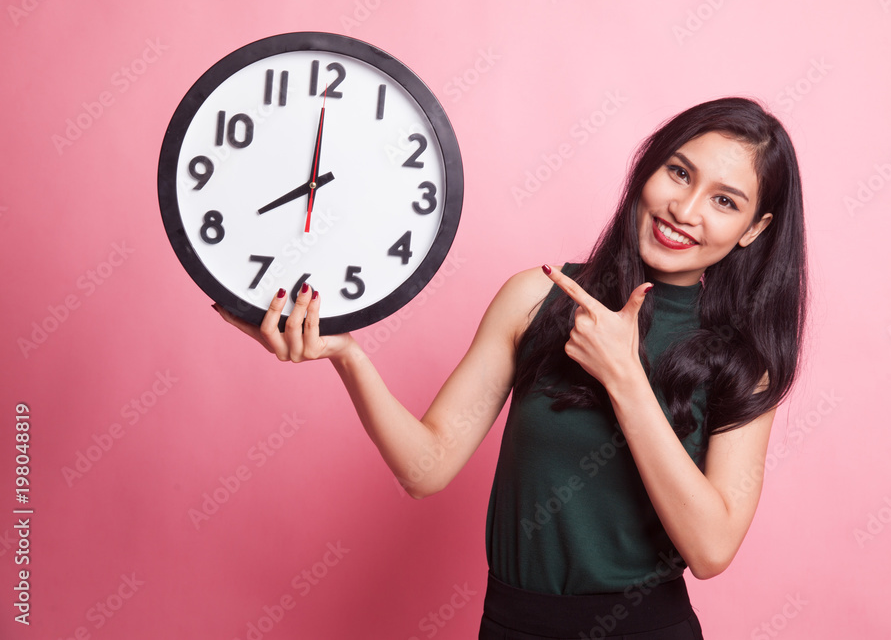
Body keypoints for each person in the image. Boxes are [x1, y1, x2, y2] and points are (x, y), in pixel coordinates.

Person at [214, 96, 807, 639]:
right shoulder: (537, 297)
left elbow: (711, 550)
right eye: (678, 172)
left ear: (754, 230)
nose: (685, 207)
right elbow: (427, 468)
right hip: (511, 624)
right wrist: (347, 354)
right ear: (648, 169)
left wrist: (624, 377)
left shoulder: (743, 359)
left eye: (725, 201)